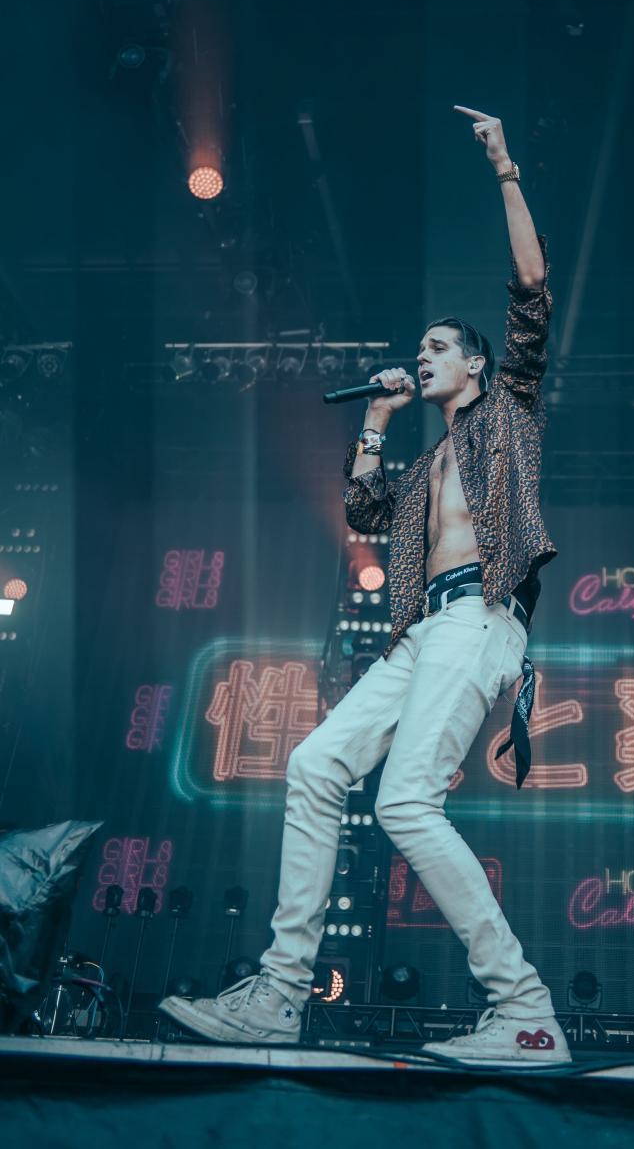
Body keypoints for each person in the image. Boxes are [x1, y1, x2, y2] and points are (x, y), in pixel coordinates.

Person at [159, 105, 569, 1066]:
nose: (421, 357)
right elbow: (363, 512)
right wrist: (380, 418)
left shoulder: (509, 411)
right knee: (311, 768)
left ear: (475, 362)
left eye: (437, 348)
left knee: (405, 804)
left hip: (480, 615)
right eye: (417, 349)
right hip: (422, 632)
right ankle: (279, 995)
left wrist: (506, 167)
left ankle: (524, 1008)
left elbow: (533, 290)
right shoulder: (426, 471)